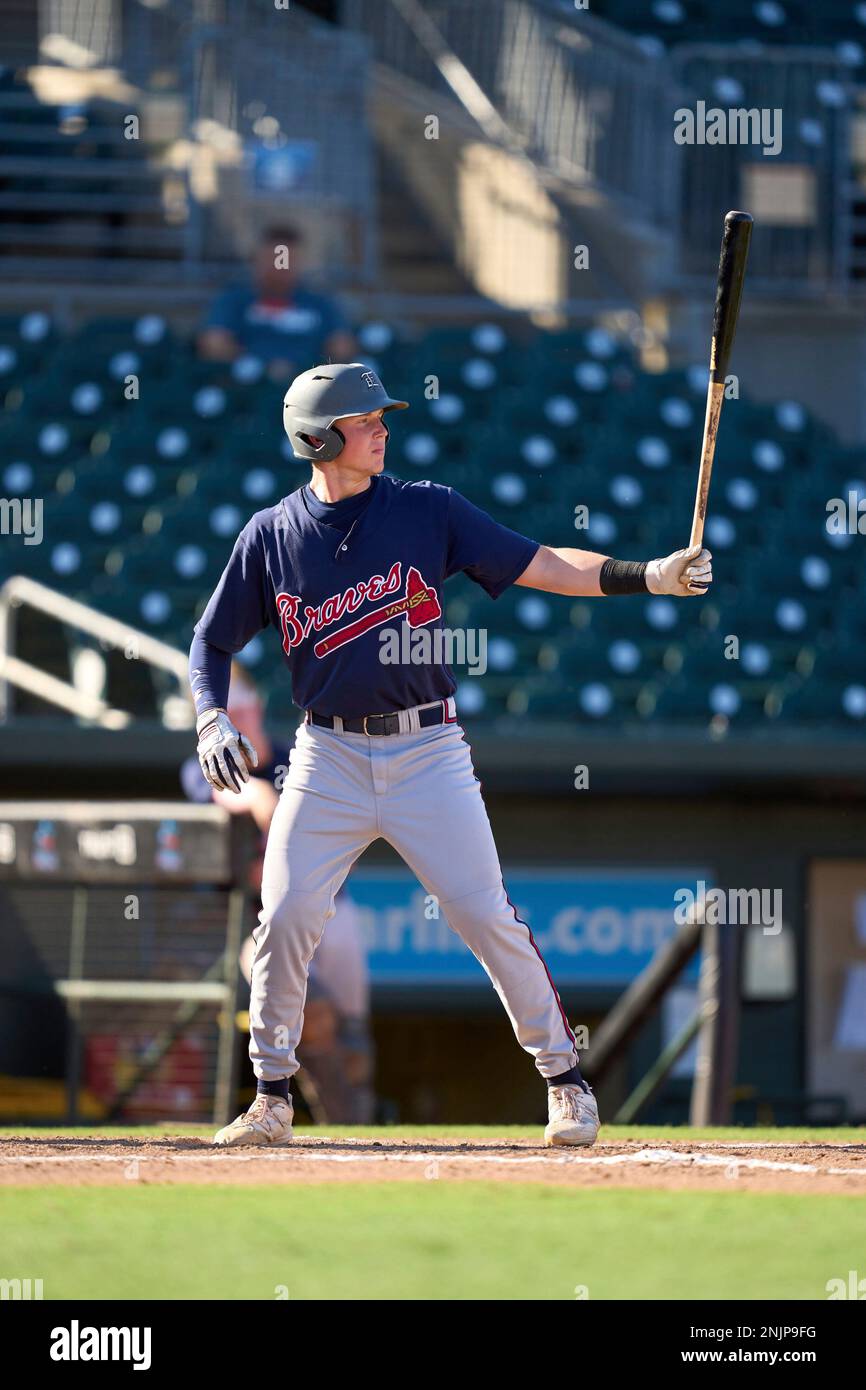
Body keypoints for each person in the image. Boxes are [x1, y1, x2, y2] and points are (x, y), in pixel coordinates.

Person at [188, 362, 713, 1149]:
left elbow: (541, 562)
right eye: (366, 419)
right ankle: (271, 1098)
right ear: (318, 438)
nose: (383, 427)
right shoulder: (272, 534)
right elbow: (210, 641)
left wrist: (648, 576)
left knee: (482, 916)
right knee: (287, 915)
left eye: (379, 416)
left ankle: (565, 1083)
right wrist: (209, 717)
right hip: (324, 752)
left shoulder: (426, 510)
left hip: (427, 748)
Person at [181, 661, 374, 1122]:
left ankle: (358, 1120)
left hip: (325, 902)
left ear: (258, 707)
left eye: (242, 708)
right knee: (310, 1011)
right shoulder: (204, 766)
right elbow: (240, 797)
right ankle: (333, 1114)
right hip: (255, 920)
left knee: (351, 1029)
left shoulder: (297, 755)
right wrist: (258, 797)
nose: (237, 720)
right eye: (227, 712)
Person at [197, 224, 355, 378]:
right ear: (257, 260)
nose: (280, 267)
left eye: (288, 260)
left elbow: (342, 346)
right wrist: (259, 365)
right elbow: (214, 342)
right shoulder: (235, 299)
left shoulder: (319, 303)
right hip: (249, 387)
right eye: (273, 259)